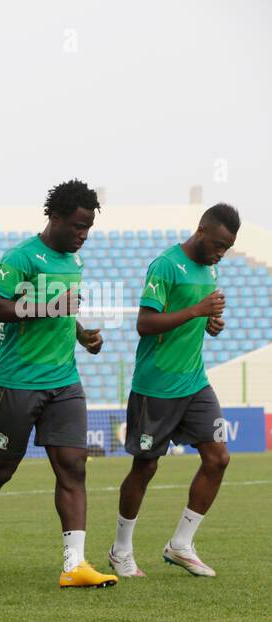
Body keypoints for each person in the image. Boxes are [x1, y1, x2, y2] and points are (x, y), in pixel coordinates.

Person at [0, 179, 117, 589]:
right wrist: (47, 307)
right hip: (19, 381)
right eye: (78, 226)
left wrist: (80, 334)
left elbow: (59, 310)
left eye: (89, 228)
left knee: (73, 467)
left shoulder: (73, 262)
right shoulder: (23, 257)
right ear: (54, 217)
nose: (83, 235)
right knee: (1, 468)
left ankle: (74, 563)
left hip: (64, 381)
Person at [109, 203, 238, 578]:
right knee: (145, 466)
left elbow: (195, 319)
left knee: (219, 458)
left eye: (227, 248)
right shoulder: (165, 265)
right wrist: (198, 311)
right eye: (217, 245)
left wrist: (210, 322)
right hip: (157, 385)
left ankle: (181, 544)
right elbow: (145, 323)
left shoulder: (210, 268)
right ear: (200, 231)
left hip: (195, 381)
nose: (221, 254)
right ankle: (120, 550)